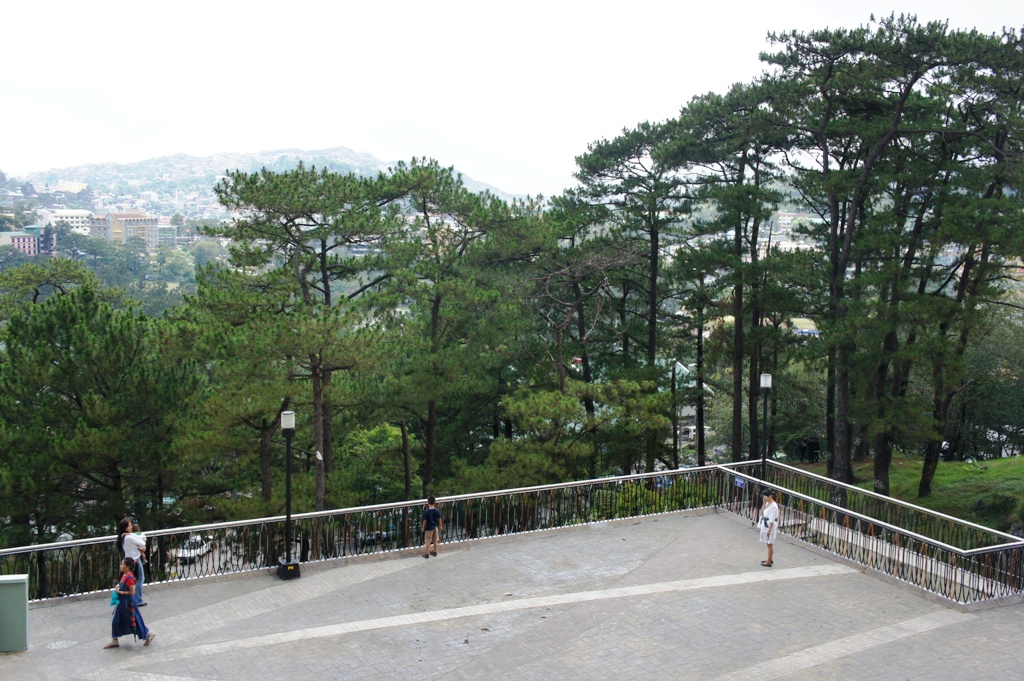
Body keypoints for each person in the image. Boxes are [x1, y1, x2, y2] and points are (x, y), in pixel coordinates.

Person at [104, 557, 155, 648]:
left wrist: (121, 592)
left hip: (128, 604)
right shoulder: (124, 575)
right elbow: (122, 584)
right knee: (116, 621)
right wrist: (118, 586)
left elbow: (132, 592)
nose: (121, 566)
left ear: (127, 567)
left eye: (122, 564)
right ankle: (115, 640)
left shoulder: (130, 578)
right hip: (122, 603)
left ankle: (148, 634)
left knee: (134, 621)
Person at [117, 517, 148, 606]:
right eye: (129, 526)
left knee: (128, 579)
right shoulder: (128, 537)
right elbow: (143, 543)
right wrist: (131, 536)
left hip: (129, 559)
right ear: (124, 528)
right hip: (134, 559)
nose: (131, 528)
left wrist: (129, 535)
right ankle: (138, 600)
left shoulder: (124, 537)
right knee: (140, 578)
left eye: (131, 525)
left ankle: (129, 599)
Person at [759, 489, 779, 567]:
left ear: (770, 496)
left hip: (770, 525)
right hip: (766, 523)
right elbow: (762, 511)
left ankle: (769, 561)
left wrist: (769, 530)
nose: (764, 497)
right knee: (767, 543)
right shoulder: (767, 503)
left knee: (769, 543)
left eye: (765, 496)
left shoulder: (774, 506)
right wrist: (764, 503)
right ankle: (769, 558)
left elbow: (772, 519)